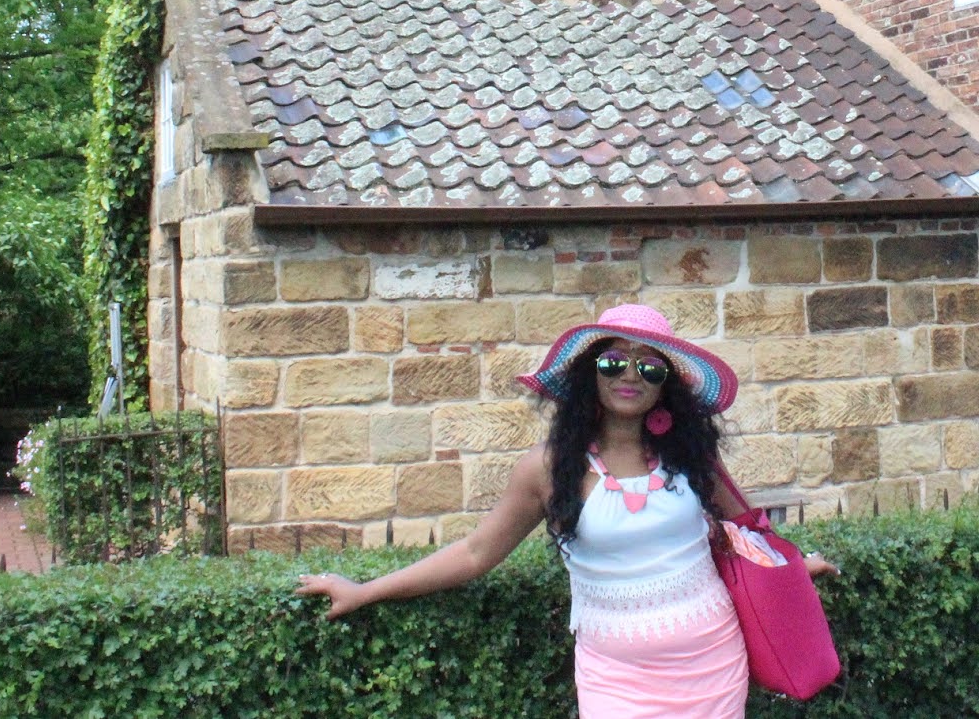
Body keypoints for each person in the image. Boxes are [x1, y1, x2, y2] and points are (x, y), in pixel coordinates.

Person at [295, 303, 839, 718]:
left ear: (665, 386)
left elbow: (745, 530)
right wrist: (365, 591)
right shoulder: (547, 468)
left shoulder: (691, 455)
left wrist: (790, 574)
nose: (630, 376)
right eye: (613, 361)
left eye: (649, 369)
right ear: (589, 373)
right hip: (616, 675)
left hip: (710, 662)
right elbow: (475, 552)